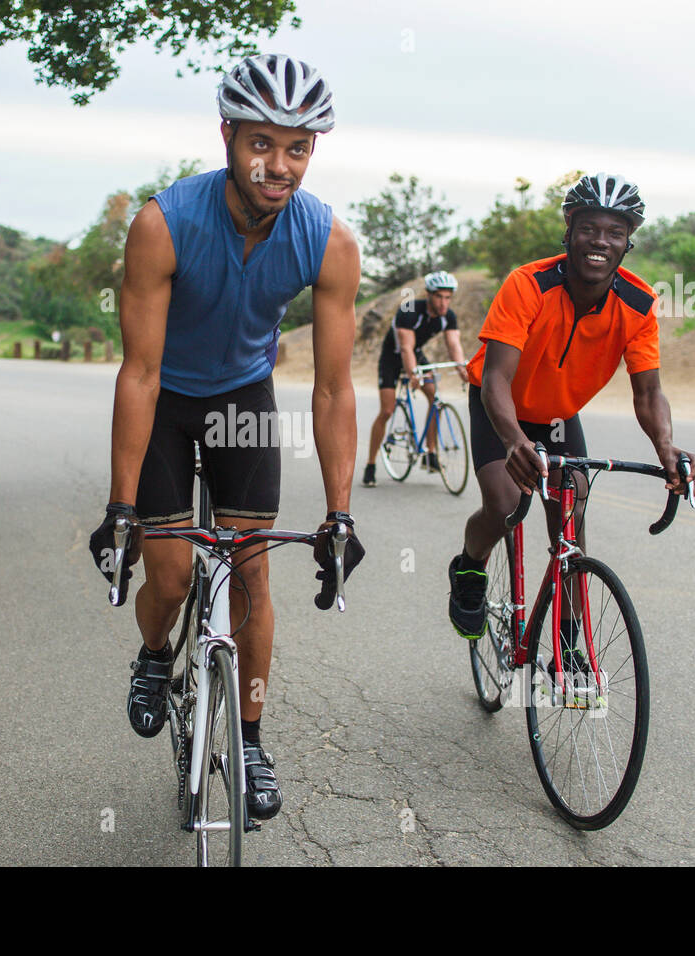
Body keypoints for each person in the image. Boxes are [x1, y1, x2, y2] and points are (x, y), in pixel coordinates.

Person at [87, 54, 365, 823]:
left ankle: (248, 740)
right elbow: (138, 372)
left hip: (243, 396)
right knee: (172, 578)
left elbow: (337, 387)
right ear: (227, 136)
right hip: (169, 397)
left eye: (298, 147)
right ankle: (152, 657)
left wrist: (340, 513)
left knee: (250, 576)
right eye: (261, 143)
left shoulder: (329, 240)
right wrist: (120, 507)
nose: (279, 165)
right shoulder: (164, 223)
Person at [448, 173, 695, 673]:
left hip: (560, 416)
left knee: (571, 513)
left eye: (615, 231)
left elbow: (647, 392)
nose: (600, 241)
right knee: (503, 501)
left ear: (629, 241)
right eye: (589, 227)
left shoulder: (639, 304)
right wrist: (515, 440)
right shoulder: (528, 284)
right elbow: (496, 377)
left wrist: (666, 447)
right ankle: (470, 565)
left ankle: (569, 646)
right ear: (569, 229)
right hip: (500, 405)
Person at [364, 271, 470, 486]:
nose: (444, 302)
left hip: (417, 354)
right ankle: (371, 464)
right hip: (392, 358)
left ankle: (430, 452)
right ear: (429, 295)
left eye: (448, 297)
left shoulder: (448, 316)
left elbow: (454, 346)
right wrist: (412, 373)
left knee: (434, 396)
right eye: (439, 296)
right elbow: (405, 348)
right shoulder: (409, 310)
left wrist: (462, 370)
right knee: (387, 410)